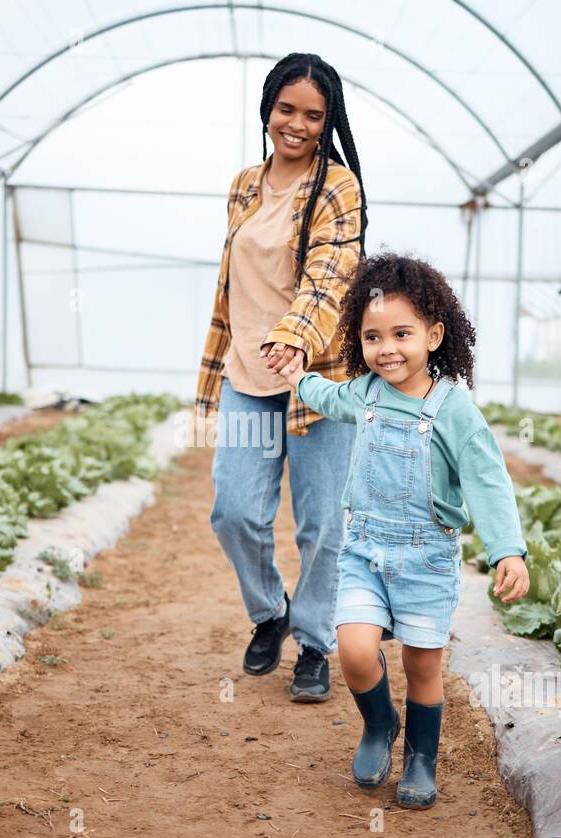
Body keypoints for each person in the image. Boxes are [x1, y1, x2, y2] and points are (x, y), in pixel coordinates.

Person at [275, 251, 530, 809]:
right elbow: (325, 396)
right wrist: (298, 376)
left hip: (427, 559)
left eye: (401, 333)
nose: (386, 348)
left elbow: (487, 479)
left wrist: (507, 550)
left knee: (422, 663)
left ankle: (420, 757)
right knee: (355, 651)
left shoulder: (453, 408)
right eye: (371, 337)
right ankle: (378, 724)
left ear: (434, 336)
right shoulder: (364, 393)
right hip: (364, 549)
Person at [194, 53, 368, 703]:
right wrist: (251, 346)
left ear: (328, 123)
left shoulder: (338, 188)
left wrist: (292, 336)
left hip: (318, 380)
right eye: (286, 109)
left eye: (313, 116)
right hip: (245, 371)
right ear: (267, 108)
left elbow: (331, 272)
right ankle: (272, 611)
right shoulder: (243, 185)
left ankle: (316, 641)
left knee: (323, 523)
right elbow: (238, 278)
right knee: (234, 510)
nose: (296, 124)